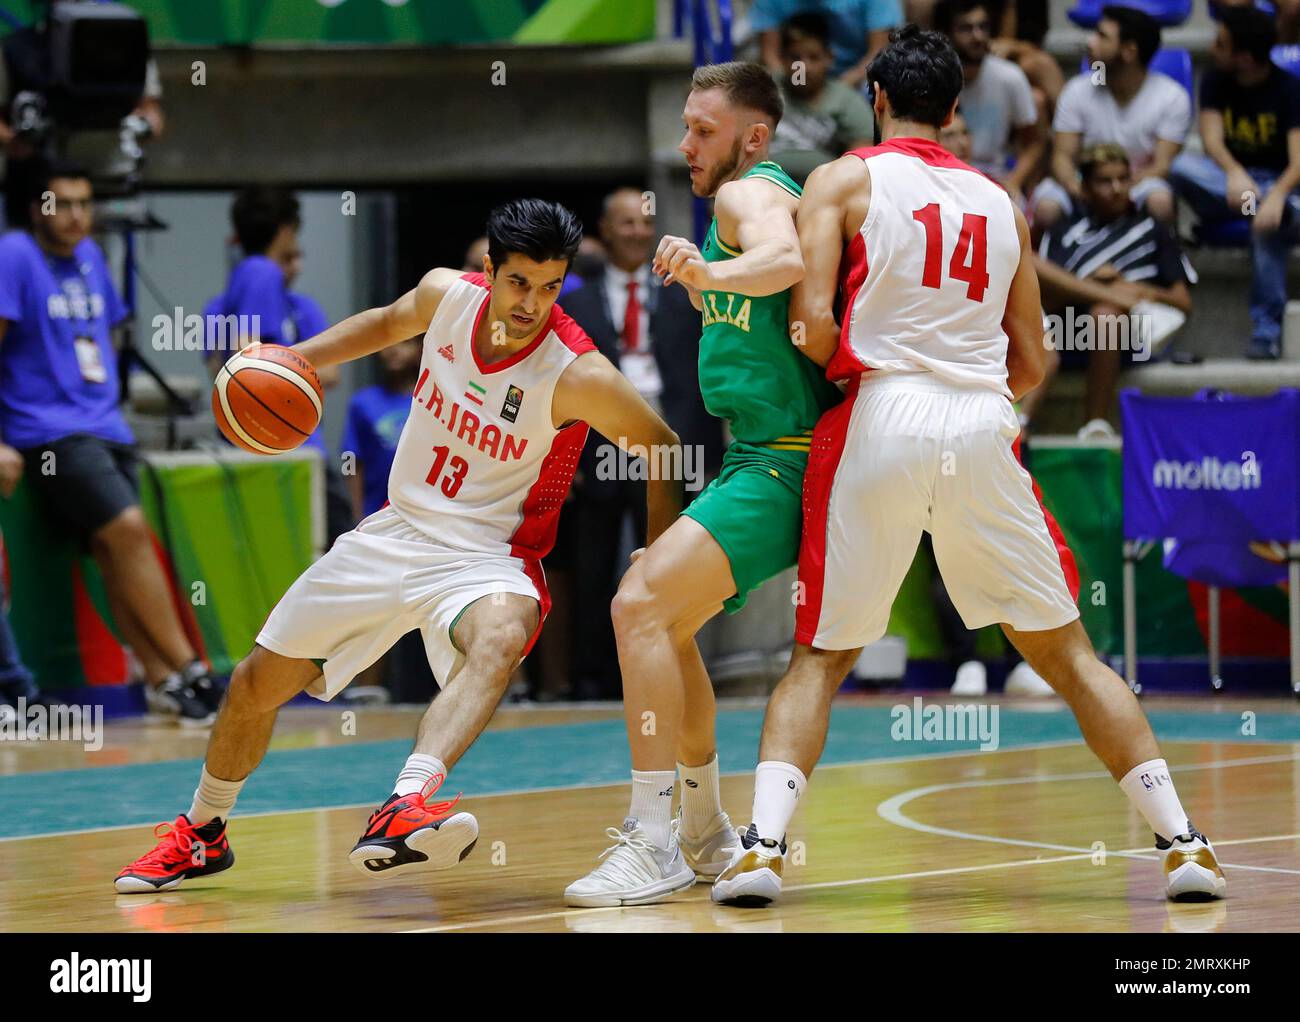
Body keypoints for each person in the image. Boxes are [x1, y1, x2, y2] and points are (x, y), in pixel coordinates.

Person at [711, 27, 1226, 907]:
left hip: (882, 411)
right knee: (1066, 653)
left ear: (876, 100)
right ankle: (1185, 845)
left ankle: (760, 850)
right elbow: (1034, 360)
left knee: (822, 655)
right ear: (956, 113)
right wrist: (980, 399)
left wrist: (849, 375)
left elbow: (812, 323)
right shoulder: (1001, 202)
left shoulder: (844, 177)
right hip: (984, 418)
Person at [114, 198, 685, 893]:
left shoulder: (577, 371)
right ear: (489, 270)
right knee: (254, 685)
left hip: (487, 554)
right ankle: (203, 833)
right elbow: (384, 324)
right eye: (518, 282)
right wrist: (290, 360)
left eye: (549, 286)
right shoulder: (446, 296)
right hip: (396, 530)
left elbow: (662, 446)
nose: (532, 302)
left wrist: (658, 554)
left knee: (502, 636)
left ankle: (405, 802)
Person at [564, 62, 842, 907]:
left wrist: (707, 276)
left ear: (753, 137)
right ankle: (704, 832)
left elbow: (784, 255)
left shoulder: (748, 195)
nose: (685, 144)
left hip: (780, 456)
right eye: (684, 127)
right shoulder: (756, 190)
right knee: (666, 619)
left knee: (637, 604)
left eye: (703, 130)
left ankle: (654, 841)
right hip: (759, 452)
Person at [0, 161, 217, 726]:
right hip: (50, 434)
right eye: (62, 204)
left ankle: (163, 680)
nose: (76, 215)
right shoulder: (16, 256)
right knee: (125, 530)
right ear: (36, 210)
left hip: (108, 426)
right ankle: (193, 668)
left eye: (84, 203)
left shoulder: (93, 258)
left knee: (112, 549)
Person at [558, 186, 723, 700]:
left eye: (645, 224)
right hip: (602, 446)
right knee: (593, 565)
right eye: (626, 223)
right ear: (605, 231)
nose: (637, 233)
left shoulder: (686, 293)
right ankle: (592, 682)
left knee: (673, 564)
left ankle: (673, 673)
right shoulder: (574, 301)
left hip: (673, 450)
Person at [203, 186, 353, 544]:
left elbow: (219, 367)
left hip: (261, 447)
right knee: (339, 548)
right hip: (286, 451)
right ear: (286, 230)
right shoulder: (261, 273)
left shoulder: (245, 283)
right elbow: (246, 356)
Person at [1169, 6, 1300, 360]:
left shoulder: (1289, 88)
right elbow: (1211, 140)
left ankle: (1266, 332)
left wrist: (1275, 198)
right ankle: (1278, 212)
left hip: (1280, 185)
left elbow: (1298, 160)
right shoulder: (1214, 80)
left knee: (1266, 227)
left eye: (1222, 44)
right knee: (1182, 166)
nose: (1213, 47)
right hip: (1231, 185)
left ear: (1244, 58)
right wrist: (1235, 172)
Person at [1038, 144, 1194, 437]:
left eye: (1123, 179)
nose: (1116, 188)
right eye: (1104, 181)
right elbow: (1047, 299)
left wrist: (1134, 289)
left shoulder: (1153, 229)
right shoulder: (1064, 231)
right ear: (1085, 188)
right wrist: (1095, 286)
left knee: (1106, 315)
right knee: (1030, 264)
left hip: (1133, 335)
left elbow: (1182, 301)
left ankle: (1094, 423)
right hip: (1068, 333)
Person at [1032, 6, 1189, 233]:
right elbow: (1062, 158)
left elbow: (1160, 167)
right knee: (1047, 207)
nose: (1090, 42)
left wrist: (1116, 189)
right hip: (1084, 184)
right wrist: (1081, 188)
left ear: (1128, 50)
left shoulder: (1172, 97)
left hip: (1136, 183)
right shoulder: (1077, 90)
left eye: (1101, 36)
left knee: (1160, 202)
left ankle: (1156, 265)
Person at [936, 0, 1044, 204]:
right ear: (946, 34)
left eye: (983, 27)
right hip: (944, 174)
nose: (977, 36)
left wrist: (1015, 180)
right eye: (966, 28)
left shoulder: (1009, 76)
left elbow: (1034, 142)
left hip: (995, 175)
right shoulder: (934, 79)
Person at [769, 13, 877, 185]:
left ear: (829, 58)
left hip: (824, 193)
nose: (804, 68)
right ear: (782, 58)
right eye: (795, 58)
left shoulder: (846, 101)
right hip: (762, 187)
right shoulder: (763, 92)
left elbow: (859, 166)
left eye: (813, 57)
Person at [752, 0, 903, 90]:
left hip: (858, 76)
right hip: (796, 74)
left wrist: (838, 89)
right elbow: (770, 54)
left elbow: (878, 52)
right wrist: (795, 85)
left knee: (874, 91)